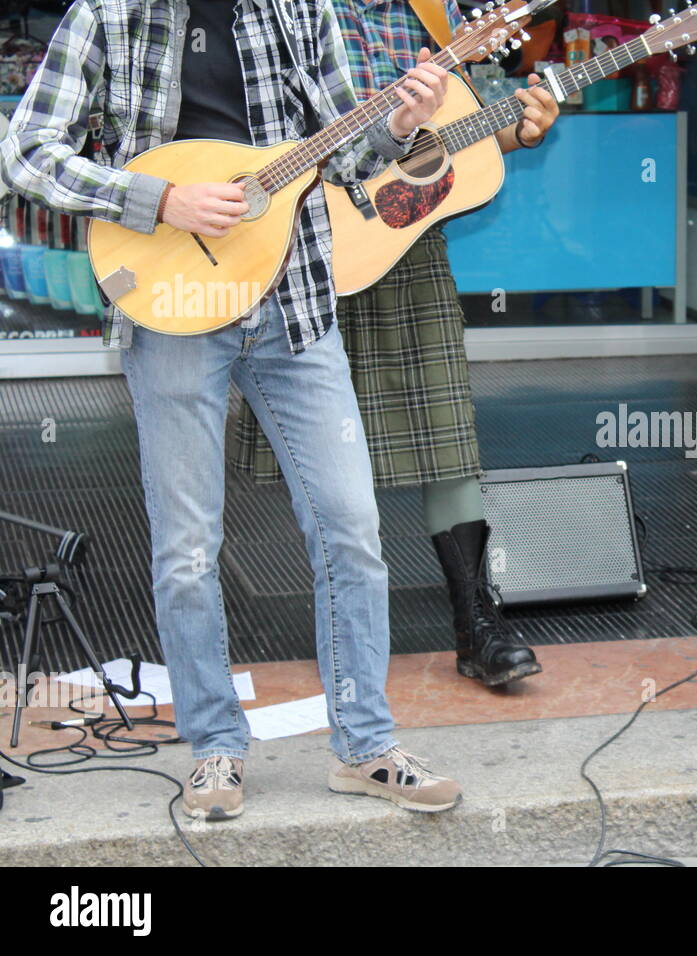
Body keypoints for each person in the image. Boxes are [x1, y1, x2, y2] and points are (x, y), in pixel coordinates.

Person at [1, 0, 459, 820]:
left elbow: (345, 157)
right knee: (186, 547)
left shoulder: (300, 9)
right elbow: (28, 153)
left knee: (351, 526)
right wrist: (156, 199)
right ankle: (215, 749)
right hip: (173, 302)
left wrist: (394, 125)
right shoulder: (108, 13)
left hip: (296, 302)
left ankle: (365, 744)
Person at [230, 0, 559, 688]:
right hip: (307, 240)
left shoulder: (437, 13)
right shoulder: (288, 9)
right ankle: (340, 636)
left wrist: (521, 129)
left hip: (406, 239)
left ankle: (478, 627)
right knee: (318, 455)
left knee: (449, 443)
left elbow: (455, 137)